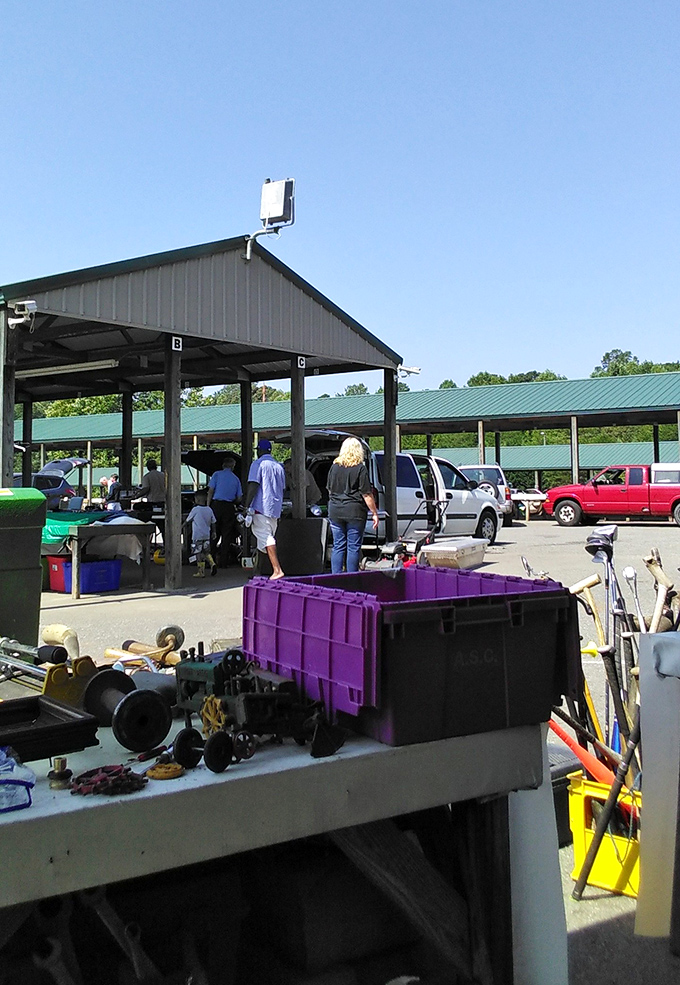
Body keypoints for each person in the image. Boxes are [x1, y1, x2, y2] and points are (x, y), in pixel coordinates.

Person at [326, 437, 379, 574]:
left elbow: (329, 489)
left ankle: (335, 577)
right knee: (353, 547)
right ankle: (351, 577)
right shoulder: (360, 468)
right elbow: (366, 494)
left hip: (335, 510)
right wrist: (374, 513)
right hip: (354, 510)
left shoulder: (334, 467)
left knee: (338, 545)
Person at [244, 439, 286, 580]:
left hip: (260, 507)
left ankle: (277, 570)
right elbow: (283, 488)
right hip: (275, 509)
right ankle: (257, 570)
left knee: (267, 539)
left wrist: (247, 505)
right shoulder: (279, 466)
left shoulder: (258, 464)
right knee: (263, 540)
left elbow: (253, 485)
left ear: (259, 451)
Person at [206, 455, 243, 567]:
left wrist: (208, 506)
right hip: (229, 507)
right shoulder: (236, 479)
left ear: (223, 465)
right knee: (227, 535)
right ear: (233, 466)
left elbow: (210, 491)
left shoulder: (216, 474)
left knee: (213, 533)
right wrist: (234, 501)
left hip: (216, 505)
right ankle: (224, 562)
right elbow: (239, 498)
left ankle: (210, 562)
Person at [185, 490, 217, 578]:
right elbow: (213, 522)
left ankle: (201, 571)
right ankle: (212, 563)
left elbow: (188, 520)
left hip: (197, 536)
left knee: (198, 553)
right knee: (206, 551)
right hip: (206, 534)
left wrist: (181, 526)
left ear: (197, 500)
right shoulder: (209, 509)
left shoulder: (195, 509)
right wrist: (214, 532)